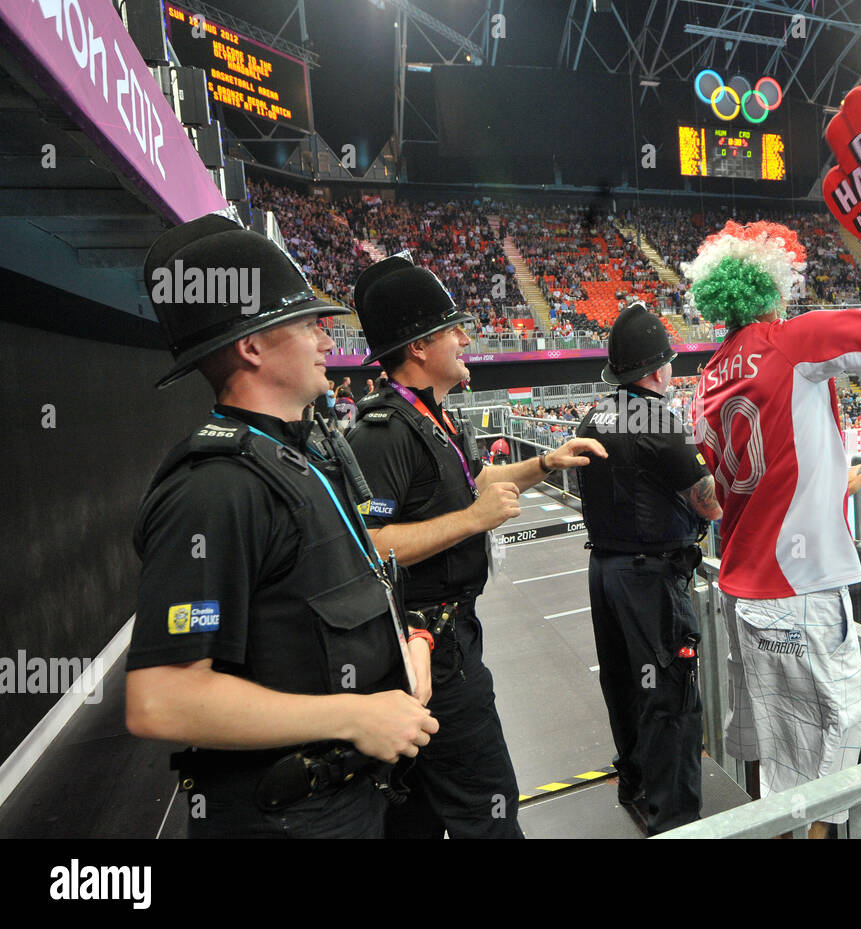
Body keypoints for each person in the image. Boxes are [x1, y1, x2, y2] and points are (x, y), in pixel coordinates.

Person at [126, 215, 438, 838]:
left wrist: (412, 644)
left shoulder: (296, 455)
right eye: (307, 323)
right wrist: (353, 716)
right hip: (290, 817)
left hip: (345, 803)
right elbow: (160, 698)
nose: (328, 339)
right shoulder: (215, 489)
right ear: (252, 345)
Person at [688, 210, 861, 838]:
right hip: (803, 593)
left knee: (777, 763)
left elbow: (716, 496)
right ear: (775, 285)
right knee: (828, 768)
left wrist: (827, 482)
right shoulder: (795, 339)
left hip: (744, 591)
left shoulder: (709, 377)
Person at [346, 252, 607, 839]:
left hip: (451, 637)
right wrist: (473, 520)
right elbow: (372, 543)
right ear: (418, 347)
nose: (466, 338)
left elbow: (474, 485)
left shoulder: (431, 417)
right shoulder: (380, 435)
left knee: (427, 810)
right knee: (485, 805)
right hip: (425, 646)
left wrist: (545, 462)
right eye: (451, 330)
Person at [576, 303, 722, 834]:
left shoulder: (597, 414)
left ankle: (635, 785)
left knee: (624, 684)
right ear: (660, 369)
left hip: (605, 570)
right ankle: (676, 817)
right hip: (650, 578)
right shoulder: (658, 416)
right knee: (670, 693)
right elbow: (709, 503)